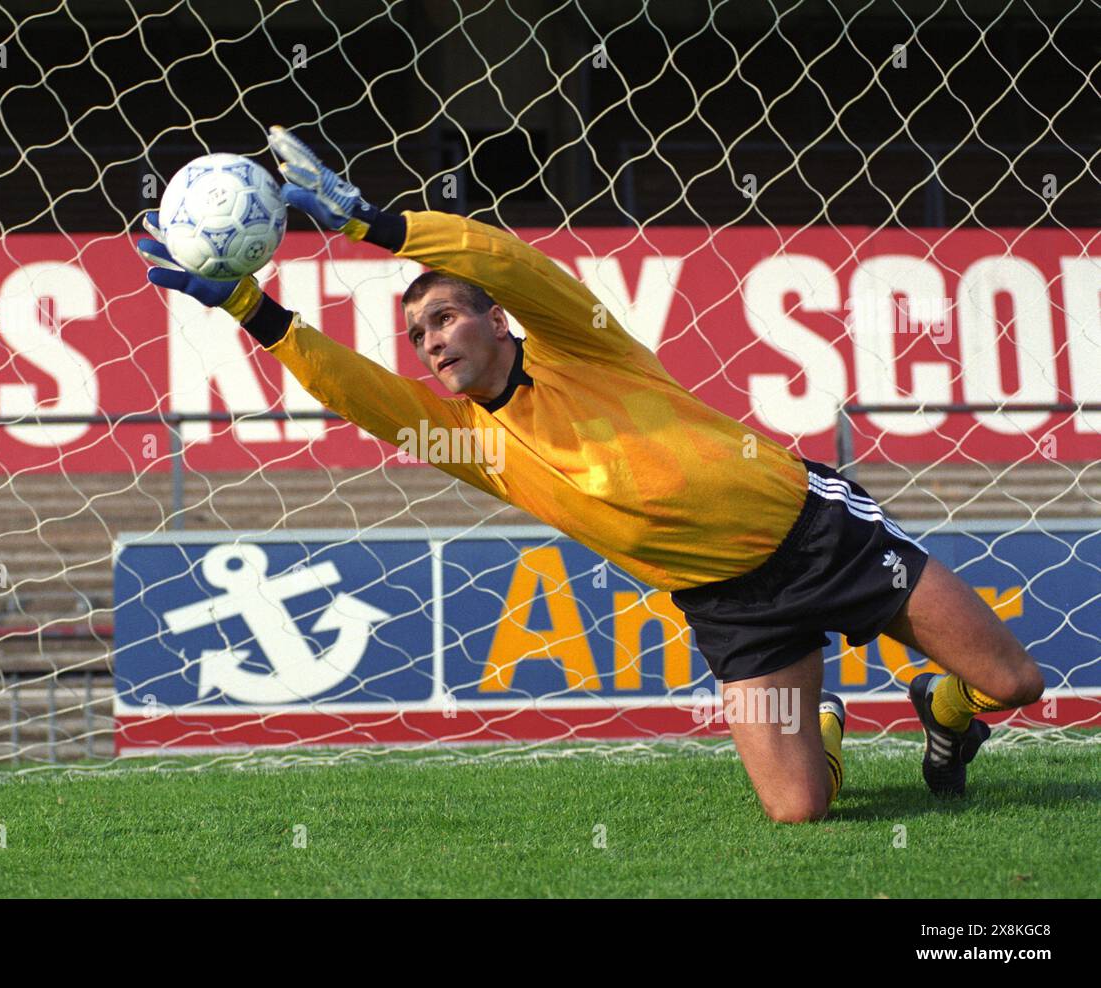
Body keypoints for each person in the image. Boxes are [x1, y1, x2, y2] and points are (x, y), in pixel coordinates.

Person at [137, 126, 1045, 822]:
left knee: (1015, 685)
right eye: (418, 336)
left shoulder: (582, 346)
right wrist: (255, 308)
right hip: (731, 604)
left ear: (498, 324)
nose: (431, 341)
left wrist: (375, 224)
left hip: (814, 532)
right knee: (799, 812)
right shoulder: (469, 441)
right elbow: (361, 391)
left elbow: (511, 262)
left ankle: (943, 706)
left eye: (447, 318)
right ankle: (826, 722)